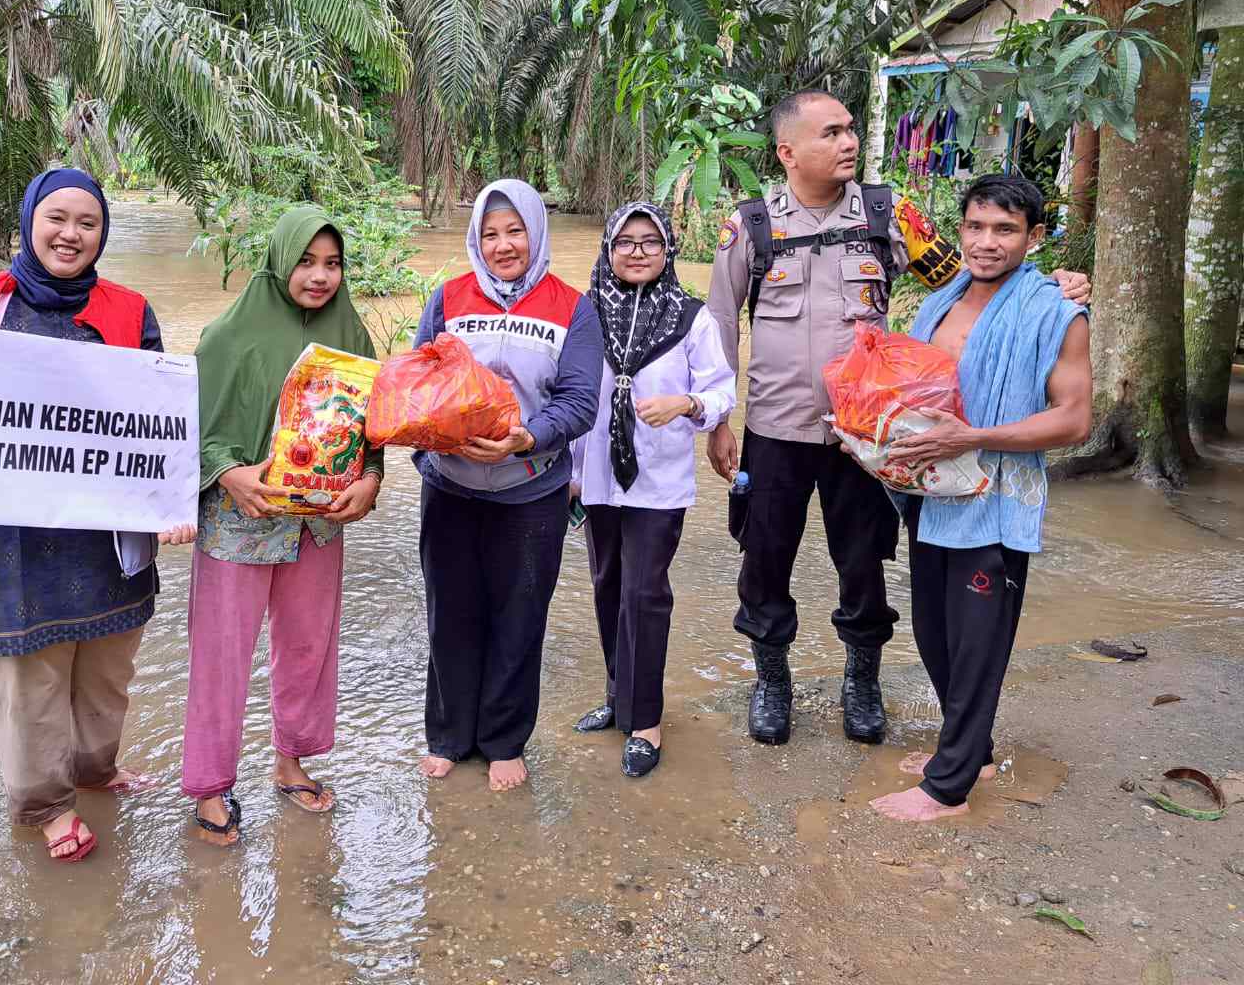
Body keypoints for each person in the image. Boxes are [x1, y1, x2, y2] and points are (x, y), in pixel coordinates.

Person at [705, 90, 1092, 747]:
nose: (850, 141)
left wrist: (1056, 283)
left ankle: (863, 677)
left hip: (872, 439)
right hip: (775, 430)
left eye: (852, 129)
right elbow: (718, 318)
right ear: (789, 151)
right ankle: (772, 677)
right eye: (831, 132)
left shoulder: (891, 214)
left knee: (863, 561)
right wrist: (717, 420)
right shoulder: (751, 226)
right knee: (765, 559)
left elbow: (973, 272)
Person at [0, 167, 193, 864]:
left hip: (102, 537)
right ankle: (45, 806)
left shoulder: (131, 311)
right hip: (6, 537)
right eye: (57, 218)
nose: (70, 234)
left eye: (87, 223)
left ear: (103, 233)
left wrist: (172, 504)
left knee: (107, 671)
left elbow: (158, 429)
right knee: (31, 679)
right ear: (29, 221)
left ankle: (94, 770)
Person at [868, 174, 1090, 821]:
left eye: (1005, 229)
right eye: (975, 227)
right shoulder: (939, 303)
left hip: (995, 502)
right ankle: (976, 748)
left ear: (1035, 237)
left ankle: (950, 786)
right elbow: (918, 393)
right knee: (936, 636)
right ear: (959, 229)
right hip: (933, 493)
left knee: (977, 645)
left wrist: (976, 436)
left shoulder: (1057, 311)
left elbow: (1074, 420)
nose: (986, 242)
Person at [182, 205, 383, 845]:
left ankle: (290, 760)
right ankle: (212, 784)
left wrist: (370, 482)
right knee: (222, 652)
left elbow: (370, 436)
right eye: (305, 261)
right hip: (239, 519)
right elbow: (184, 432)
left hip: (318, 524)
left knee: (307, 646)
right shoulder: (224, 338)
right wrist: (227, 474)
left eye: (332, 264)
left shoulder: (352, 338)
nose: (319, 277)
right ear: (279, 261)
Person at [413, 179, 602, 791]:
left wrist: (529, 437)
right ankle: (447, 736)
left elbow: (579, 402)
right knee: (451, 613)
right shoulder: (448, 297)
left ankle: (503, 740)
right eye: (490, 233)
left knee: (519, 616)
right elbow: (418, 382)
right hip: (451, 488)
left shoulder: (573, 308)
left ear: (536, 232)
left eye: (515, 230)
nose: (502, 245)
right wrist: (430, 446)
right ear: (475, 238)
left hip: (531, 490)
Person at [569, 202, 737, 777]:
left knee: (644, 593)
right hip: (596, 479)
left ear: (667, 250)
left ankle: (646, 722)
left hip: (658, 482)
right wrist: (568, 472)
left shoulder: (692, 318)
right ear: (608, 250)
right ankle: (618, 696)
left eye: (650, 242)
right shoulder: (584, 315)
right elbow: (570, 396)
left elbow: (721, 393)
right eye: (625, 242)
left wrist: (686, 404)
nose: (637, 252)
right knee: (606, 586)